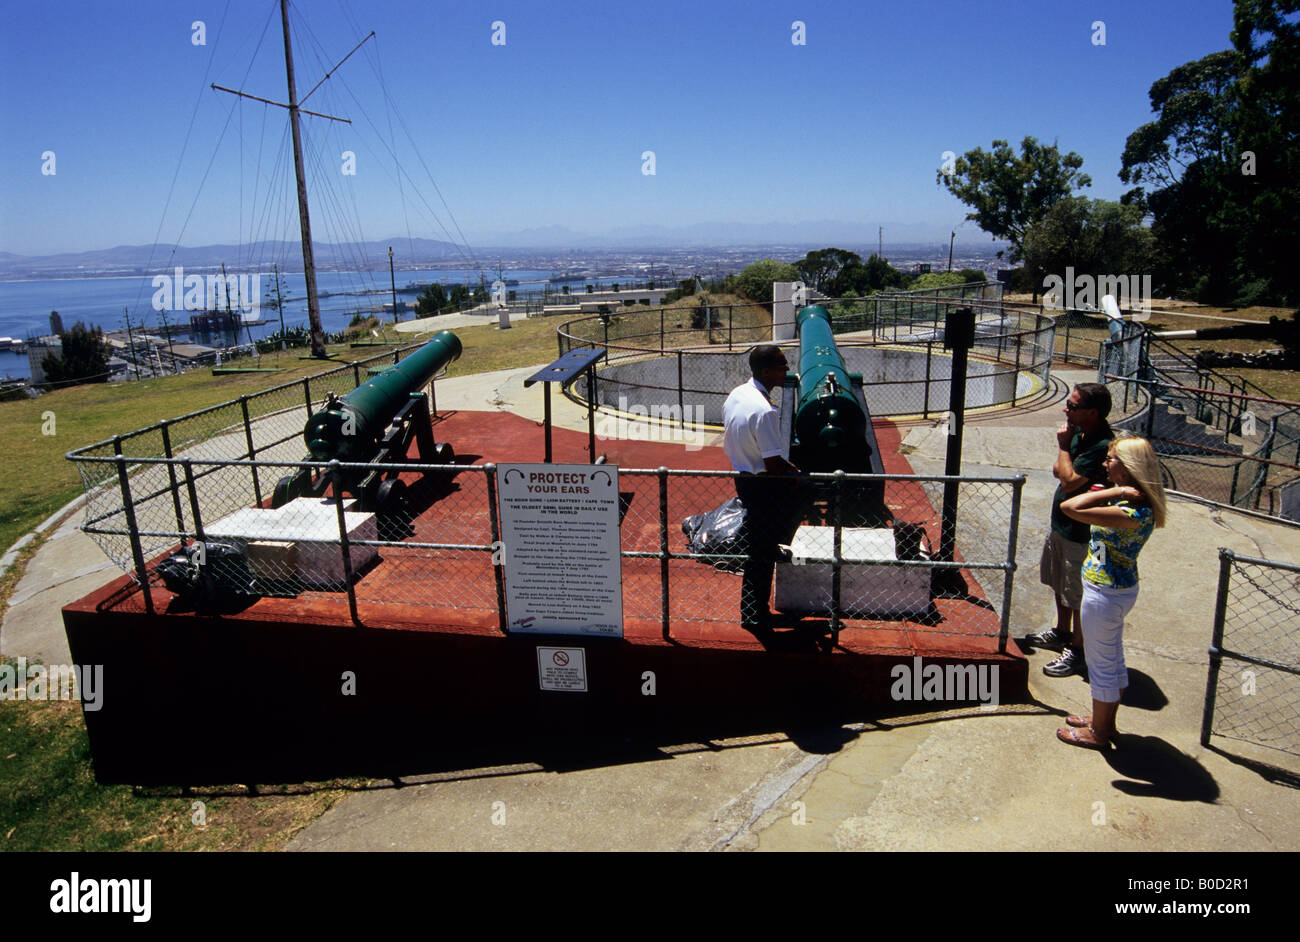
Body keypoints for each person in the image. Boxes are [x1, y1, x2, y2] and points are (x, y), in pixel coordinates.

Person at [1055, 435, 1167, 749]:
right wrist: (1114, 494)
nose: (1105, 464)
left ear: (1129, 468)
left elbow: (1069, 506)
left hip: (1105, 594)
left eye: (1111, 459)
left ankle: (1099, 733)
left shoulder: (1129, 511)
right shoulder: (1132, 503)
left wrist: (1113, 491)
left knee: (1101, 664)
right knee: (1112, 659)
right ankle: (1104, 722)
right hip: (1116, 589)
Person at [1027, 383, 1114, 678]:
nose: (1067, 409)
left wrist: (1064, 449)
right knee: (1059, 582)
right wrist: (1067, 459)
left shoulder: (1102, 444)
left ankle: (1078, 650)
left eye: (1074, 406)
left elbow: (1069, 481)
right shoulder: (1079, 433)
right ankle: (1062, 632)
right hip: (1061, 526)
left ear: (1093, 412)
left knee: (1078, 594)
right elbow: (1058, 470)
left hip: (1081, 533)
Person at [722, 344, 802, 632]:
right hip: (763, 485)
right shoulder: (765, 411)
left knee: (759, 546)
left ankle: (754, 608)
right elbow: (773, 464)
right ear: (766, 371)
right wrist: (796, 475)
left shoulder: (738, 394)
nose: (787, 369)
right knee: (761, 554)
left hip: (744, 477)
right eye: (782, 365)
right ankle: (755, 613)